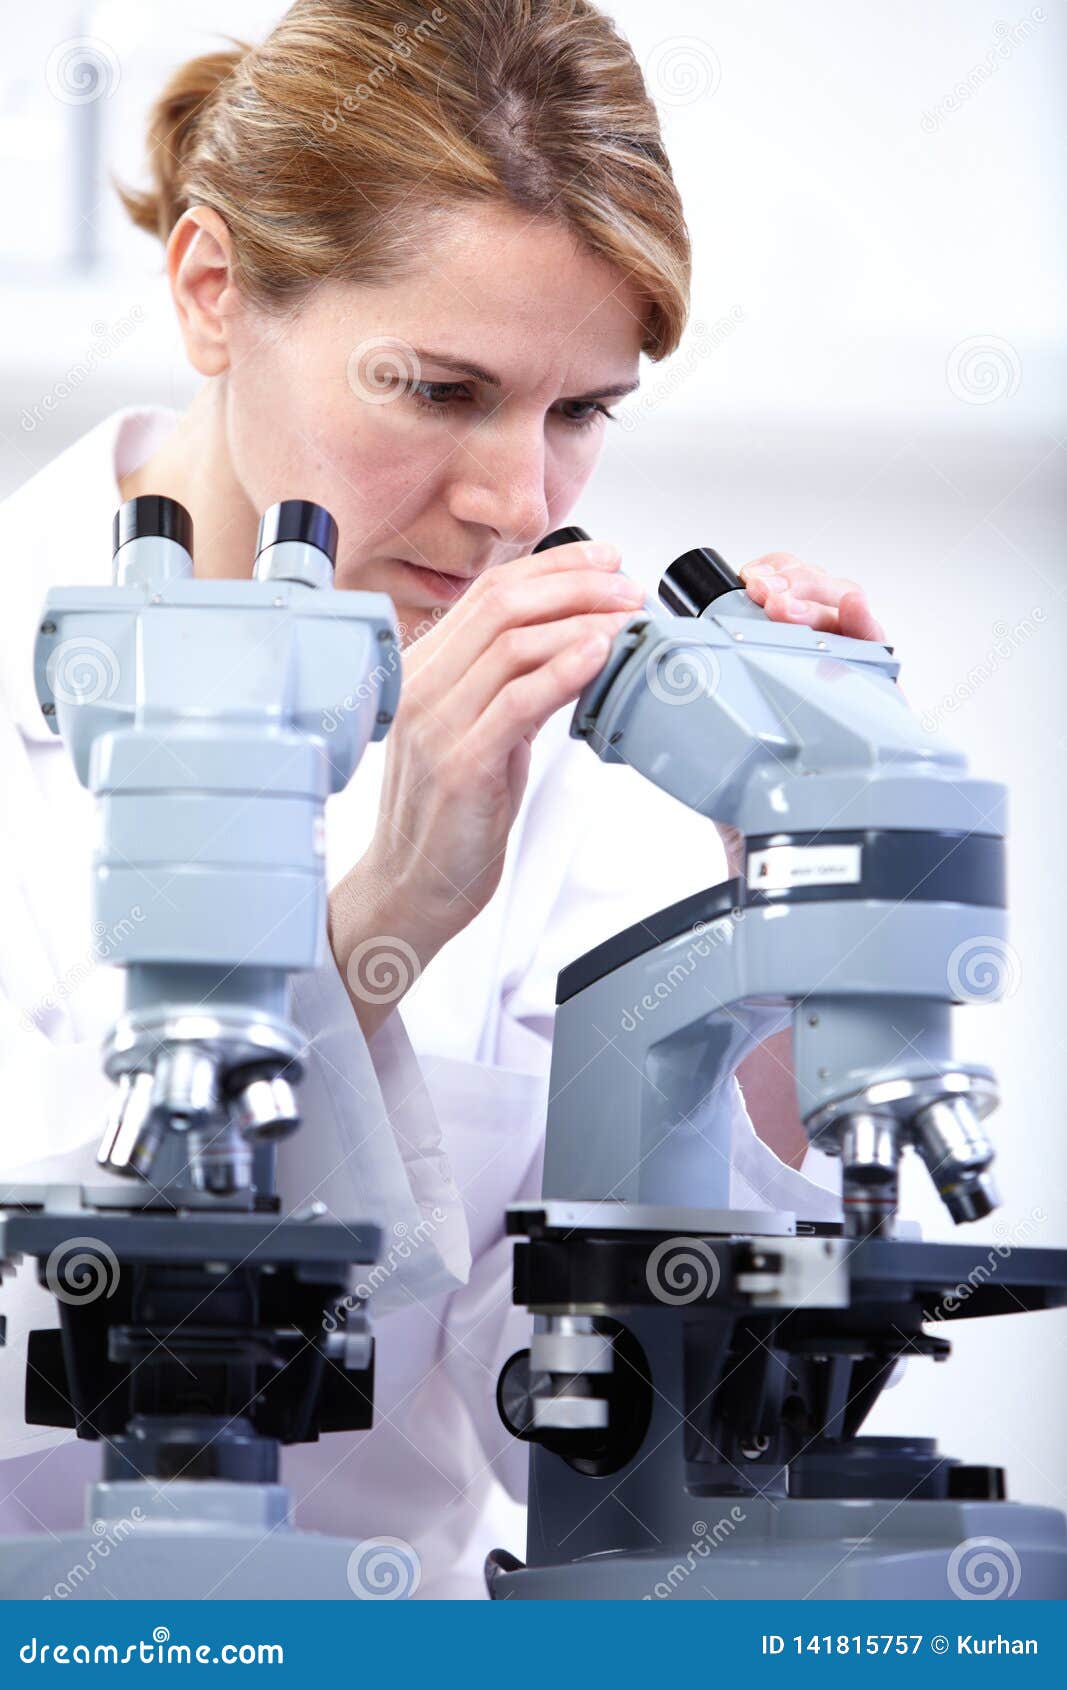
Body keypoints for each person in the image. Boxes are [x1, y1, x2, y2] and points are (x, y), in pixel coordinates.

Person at [0, 0, 887, 1597]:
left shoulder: (561, 750)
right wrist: (377, 927)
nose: (518, 503)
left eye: (580, 411)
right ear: (213, 291)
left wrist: (772, 960)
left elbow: (598, 1445)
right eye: (437, 388)